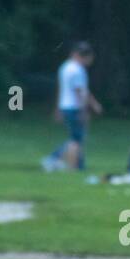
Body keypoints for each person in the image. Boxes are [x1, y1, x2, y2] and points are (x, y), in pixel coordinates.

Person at [43, 41, 101, 171]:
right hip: (75, 107)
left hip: (66, 105)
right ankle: (70, 164)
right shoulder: (77, 70)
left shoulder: (65, 67)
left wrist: (58, 108)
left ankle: (72, 163)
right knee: (76, 139)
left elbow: (62, 89)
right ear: (83, 56)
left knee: (75, 137)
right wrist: (85, 110)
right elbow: (80, 91)